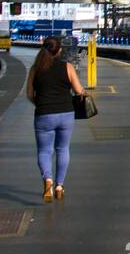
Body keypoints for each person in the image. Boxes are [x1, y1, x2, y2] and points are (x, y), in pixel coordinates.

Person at [26, 35, 86, 202]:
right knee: (62, 149)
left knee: (44, 151)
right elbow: (79, 91)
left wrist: (40, 104)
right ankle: (60, 186)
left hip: (43, 114)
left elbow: (29, 94)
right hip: (66, 114)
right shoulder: (67, 67)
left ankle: (48, 179)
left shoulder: (35, 69)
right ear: (59, 50)